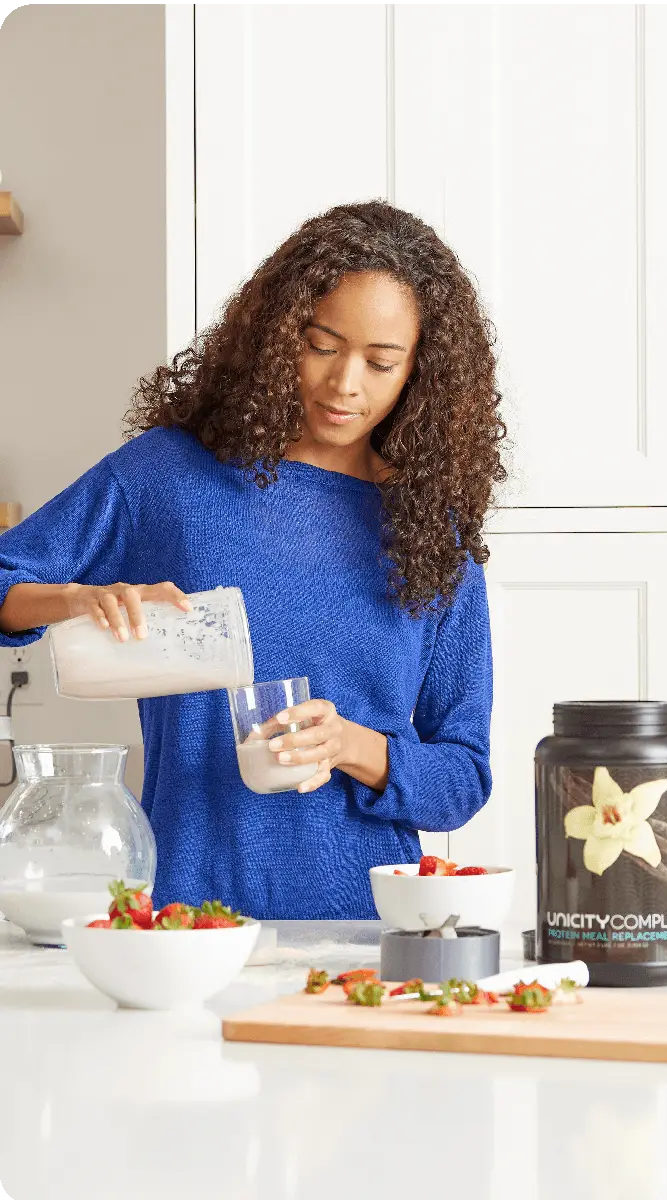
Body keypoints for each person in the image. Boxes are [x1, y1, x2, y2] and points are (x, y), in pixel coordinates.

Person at [0, 201, 506, 919]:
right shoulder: (167, 478)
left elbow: (462, 775)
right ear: (278, 333)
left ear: (421, 373)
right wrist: (72, 599)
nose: (345, 384)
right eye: (322, 344)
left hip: (367, 931)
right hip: (185, 920)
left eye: (380, 361)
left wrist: (353, 746)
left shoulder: (432, 533)